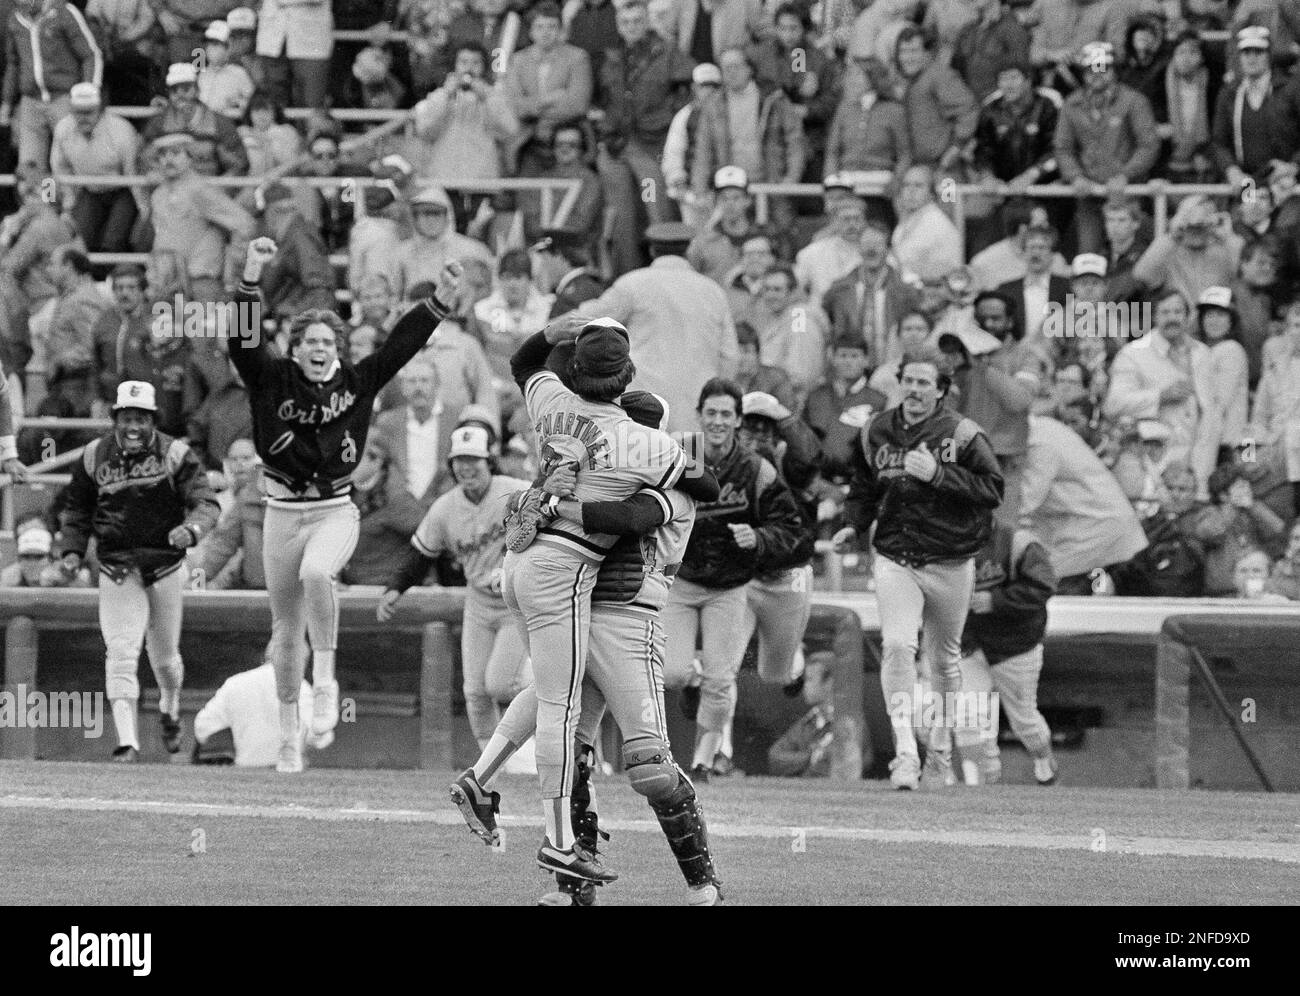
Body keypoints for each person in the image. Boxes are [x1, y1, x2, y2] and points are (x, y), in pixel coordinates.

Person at [448, 390, 725, 907]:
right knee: (567, 747)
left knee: (649, 766)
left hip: (630, 623)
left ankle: (702, 882)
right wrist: (540, 495)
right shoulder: (599, 471)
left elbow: (627, 517)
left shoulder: (672, 488)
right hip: (579, 609)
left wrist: (554, 500)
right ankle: (572, 883)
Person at [230, 237, 459, 774]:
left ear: (338, 348)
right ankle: (289, 738)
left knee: (317, 574)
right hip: (281, 512)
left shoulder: (357, 383)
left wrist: (439, 302)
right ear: (294, 348)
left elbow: (400, 345)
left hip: (334, 510)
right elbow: (242, 344)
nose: (317, 348)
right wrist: (249, 279)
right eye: (308, 340)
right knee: (285, 633)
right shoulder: (273, 377)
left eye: (326, 341)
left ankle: (327, 679)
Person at [495, 314, 696, 885]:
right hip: (581, 592)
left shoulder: (555, 406)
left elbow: (524, 363)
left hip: (577, 589)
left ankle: (693, 885)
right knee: (580, 733)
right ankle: (569, 865)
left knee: (593, 739)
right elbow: (666, 486)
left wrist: (555, 331)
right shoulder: (648, 448)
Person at [833, 349, 1003, 789]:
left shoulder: (964, 434)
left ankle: (941, 746)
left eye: (925, 382)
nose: (914, 389)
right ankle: (906, 750)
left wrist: (940, 476)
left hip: (950, 560)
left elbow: (993, 489)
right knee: (896, 645)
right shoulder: (876, 430)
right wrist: (853, 525)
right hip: (895, 556)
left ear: (942, 390)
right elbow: (862, 489)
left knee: (945, 660)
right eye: (908, 380)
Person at [59, 380, 220, 762]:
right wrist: (71, 551)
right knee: (121, 651)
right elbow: (77, 510)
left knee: (165, 658)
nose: (133, 427)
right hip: (117, 566)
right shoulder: (93, 456)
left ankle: (169, 706)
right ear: (116, 418)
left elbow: (206, 503)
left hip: (165, 565)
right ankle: (127, 741)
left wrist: (192, 530)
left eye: (141, 419)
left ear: (152, 421)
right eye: (127, 418)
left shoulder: (176, 453)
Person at [664, 378, 805, 780]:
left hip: (730, 586)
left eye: (727, 414)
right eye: (712, 413)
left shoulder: (755, 469)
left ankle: (703, 763)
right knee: (673, 672)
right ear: (699, 415)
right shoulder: (682, 454)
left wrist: (759, 537)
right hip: (684, 580)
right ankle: (693, 681)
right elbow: (645, 499)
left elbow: (790, 526)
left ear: (738, 420)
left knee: (722, 680)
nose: (718, 421)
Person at [379, 424, 533, 749]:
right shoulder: (445, 507)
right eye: (459, 460)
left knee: (501, 685)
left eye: (473, 459)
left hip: (516, 601)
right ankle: (493, 766)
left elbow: (552, 522)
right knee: (475, 691)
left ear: (488, 460)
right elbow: (421, 554)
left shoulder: (515, 491)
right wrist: (396, 587)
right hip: (478, 600)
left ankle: (550, 689)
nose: (466, 467)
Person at [575, 223, 738, 433]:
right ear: (688, 250)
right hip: (694, 410)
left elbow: (587, 320)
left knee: (641, 464)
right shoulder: (713, 292)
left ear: (652, 250)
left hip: (642, 409)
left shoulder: (633, 284)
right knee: (690, 465)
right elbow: (730, 356)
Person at [952, 522, 1058, 787]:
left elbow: (1044, 587)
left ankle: (1044, 760)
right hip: (970, 642)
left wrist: (997, 601)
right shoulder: (943, 539)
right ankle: (981, 784)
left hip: (1015, 645)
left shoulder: (1018, 542)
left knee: (1024, 721)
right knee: (967, 715)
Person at [1019, 412, 1148, 595]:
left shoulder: (1040, 443)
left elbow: (1023, 505)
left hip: (1099, 535)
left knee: (1038, 590)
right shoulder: (1045, 428)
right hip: (1087, 533)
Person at [1054, 42, 1160, 254]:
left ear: (1113, 70)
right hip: (1089, 195)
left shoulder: (1134, 101)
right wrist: (1075, 176)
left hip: (1127, 194)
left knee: (1132, 255)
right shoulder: (1072, 104)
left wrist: (1125, 175)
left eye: (1103, 67)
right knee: (1088, 256)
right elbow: (1062, 148)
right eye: (1091, 69)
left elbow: (1148, 145)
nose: (1097, 73)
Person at [146, 131, 253, 303]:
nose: (168, 160)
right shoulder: (158, 194)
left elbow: (243, 224)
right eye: (163, 154)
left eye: (175, 153)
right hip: (167, 280)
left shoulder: (200, 189)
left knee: (204, 328)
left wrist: (233, 270)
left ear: (189, 158)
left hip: (199, 280)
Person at [0, 0, 103, 171]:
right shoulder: (15, 18)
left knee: (67, 162)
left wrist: (88, 93)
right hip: (30, 102)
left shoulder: (64, 12)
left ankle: (68, 198)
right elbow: (13, 63)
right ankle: (48, 198)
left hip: (63, 99)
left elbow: (90, 55)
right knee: (31, 167)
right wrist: (7, 102)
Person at [51, 82, 144, 253]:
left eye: (88, 112)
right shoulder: (62, 129)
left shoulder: (122, 131)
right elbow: (59, 170)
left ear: (100, 110)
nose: (83, 117)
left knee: (113, 241)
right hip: (89, 190)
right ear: (71, 110)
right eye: (78, 112)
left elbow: (134, 175)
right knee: (80, 240)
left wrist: (144, 212)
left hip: (123, 191)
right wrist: (67, 206)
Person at [193, 660, 333, 768]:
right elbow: (317, 737)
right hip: (288, 770)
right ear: (300, 661)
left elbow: (202, 727)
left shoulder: (235, 683)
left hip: (243, 769)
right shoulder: (302, 688)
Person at [141, 63, 249, 178]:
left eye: (186, 89)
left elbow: (239, 165)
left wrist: (219, 188)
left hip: (209, 189)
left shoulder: (220, 122)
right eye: (174, 90)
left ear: (197, 90)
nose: (180, 95)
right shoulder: (158, 123)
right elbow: (143, 158)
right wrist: (153, 172)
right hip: (169, 189)